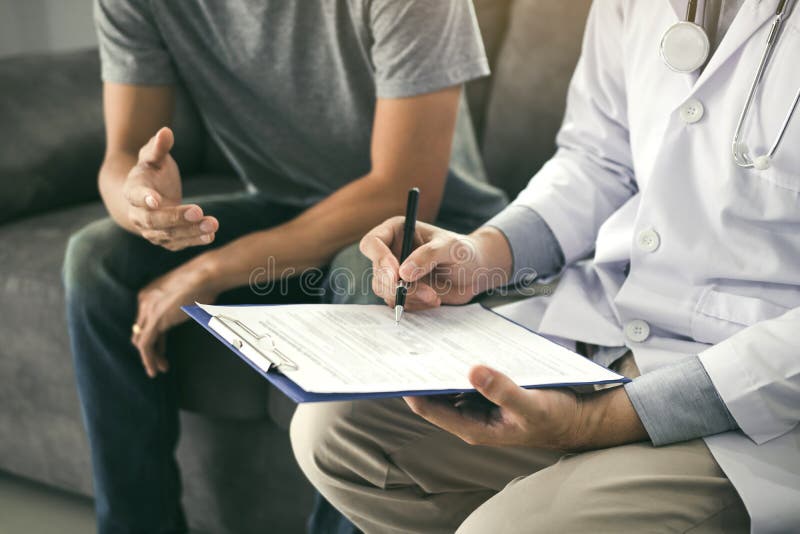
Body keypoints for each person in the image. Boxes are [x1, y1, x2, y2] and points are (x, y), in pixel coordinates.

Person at [291, 0, 800, 532]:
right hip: (614, 328)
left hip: (755, 401)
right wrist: (482, 256)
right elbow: (598, 158)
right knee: (340, 434)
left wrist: (597, 422)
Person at [62, 1, 508, 532]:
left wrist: (207, 270)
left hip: (419, 229)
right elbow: (121, 160)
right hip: (280, 205)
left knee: (372, 285)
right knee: (97, 262)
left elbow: (403, 186)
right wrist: (138, 201)